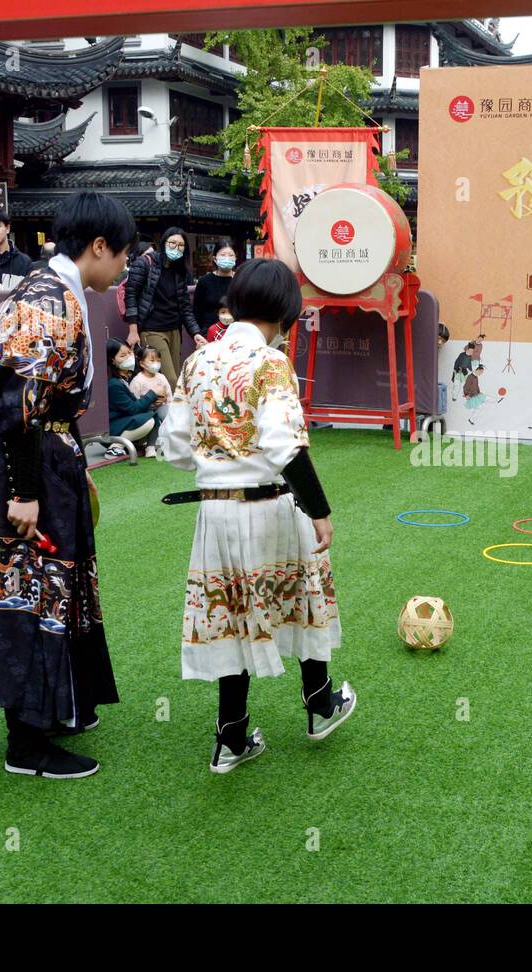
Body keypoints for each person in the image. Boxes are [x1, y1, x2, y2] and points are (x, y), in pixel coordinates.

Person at [0, 191, 135, 780]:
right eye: (123, 253)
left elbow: (41, 398)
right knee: (28, 588)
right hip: (25, 461)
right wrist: (23, 491)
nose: (125, 265)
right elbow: (16, 404)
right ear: (98, 246)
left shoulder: (59, 292)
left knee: (52, 584)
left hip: (48, 453)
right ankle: (25, 744)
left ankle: (52, 711)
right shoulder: (46, 299)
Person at [160, 257, 353, 774]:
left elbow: (173, 446)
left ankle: (231, 738)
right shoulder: (271, 362)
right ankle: (320, 705)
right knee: (303, 596)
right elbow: (286, 445)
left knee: (230, 615)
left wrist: (217, 461)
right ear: (287, 312)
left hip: (216, 513)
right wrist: (320, 510)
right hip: (272, 504)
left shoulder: (197, 361)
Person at [124, 225, 201, 388]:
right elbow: (130, 295)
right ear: (164, 242)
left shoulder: (180, 270)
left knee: (174, 379)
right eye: (172, 243)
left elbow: (185, 306)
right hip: (152, 329)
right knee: (170, 379)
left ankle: (164, 406)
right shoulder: (145, 263)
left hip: (174, 330)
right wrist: (133, 330)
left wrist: (195, 333)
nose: (176, 248)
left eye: (181, 245)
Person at [106, 339, 159, 456]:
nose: (129, 357)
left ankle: (150, 447)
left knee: (153, 416)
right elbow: (133, 409)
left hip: (126, 422)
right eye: (122, 355)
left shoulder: (127, 377)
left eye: (130, 352)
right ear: (112, 360)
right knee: (148, 420)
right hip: (114, 428)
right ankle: (115, 447)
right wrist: (152, 394)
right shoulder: (113, 384)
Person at [193, 238, 237, 334]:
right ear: (215, 258)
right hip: (209, 335)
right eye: (223, 255)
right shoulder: (204, 281)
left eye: (231, 255)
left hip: (235, 334)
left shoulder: (241, 280)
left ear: (235, 258)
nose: (227, 258)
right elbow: (197, 312)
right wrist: (200, 333)